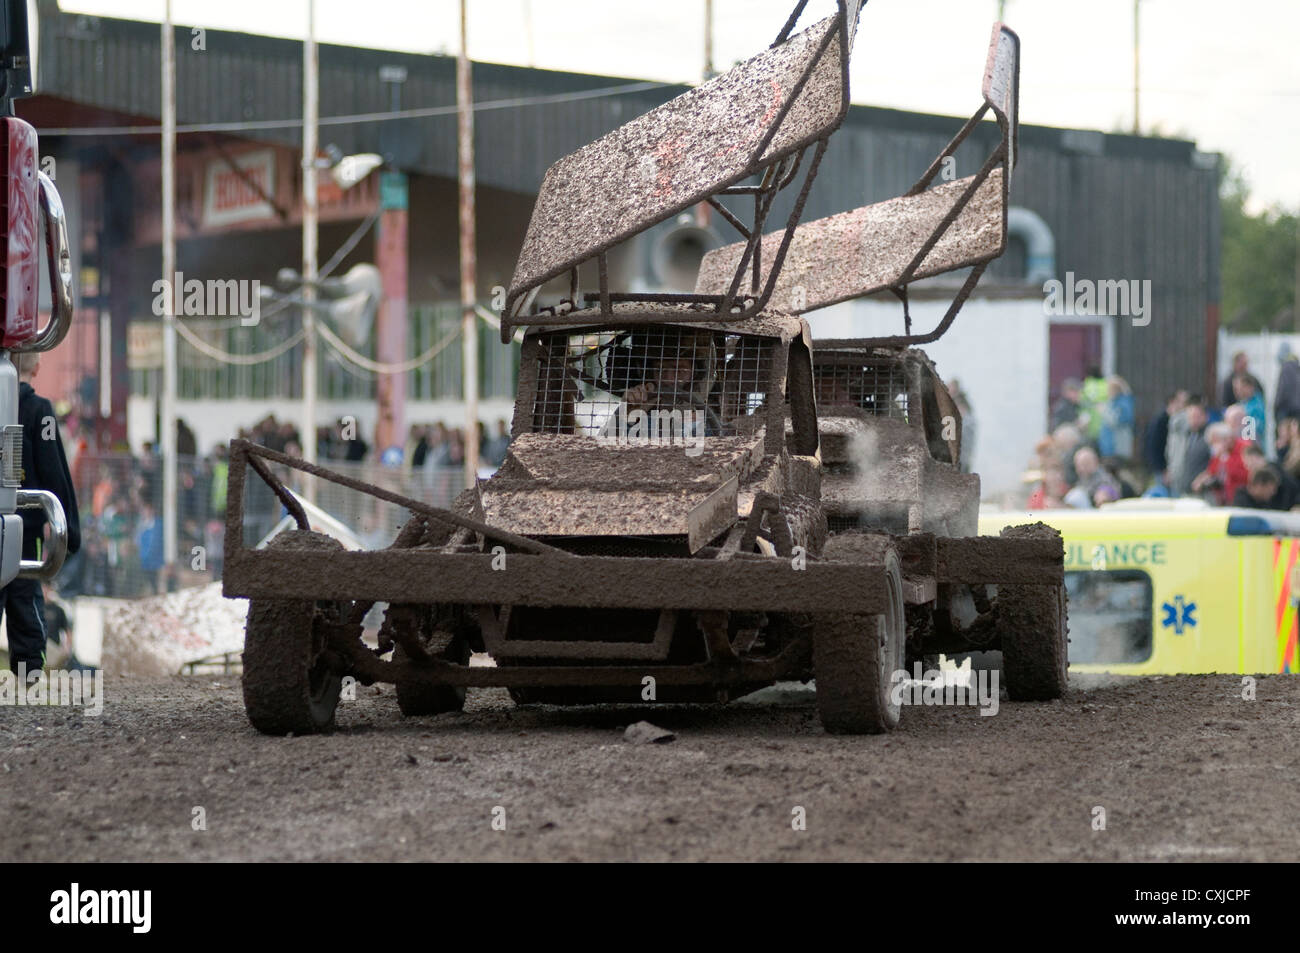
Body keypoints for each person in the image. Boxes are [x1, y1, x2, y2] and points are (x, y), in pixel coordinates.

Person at [1, 352, 82, 678]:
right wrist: (70, 530)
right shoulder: (40, 410)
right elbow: (53, 469)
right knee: (25, 599)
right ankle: (29, 676)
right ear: (36, 366)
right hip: (26, 527)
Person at [1144, 390, 1188, 485]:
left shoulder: (1178, 421)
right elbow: (1154, 448)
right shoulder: (1160, 421)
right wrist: (1162, 469)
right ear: (1172, 402)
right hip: (1163, 470)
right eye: (1183, 402)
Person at [1098, 375, 1135, 458]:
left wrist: (1103, 411)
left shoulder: (1123, 404)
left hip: (1117, 445)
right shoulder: (1112, 402)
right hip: (1109, 444)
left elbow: (1117, 421)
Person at [1274, 343, 1300, 430]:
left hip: (1286, 411)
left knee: (1284, 438)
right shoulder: (1296, 366)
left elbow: (1283, 390)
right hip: (1297, 410)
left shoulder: (1286, 367)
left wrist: (1276, 407)